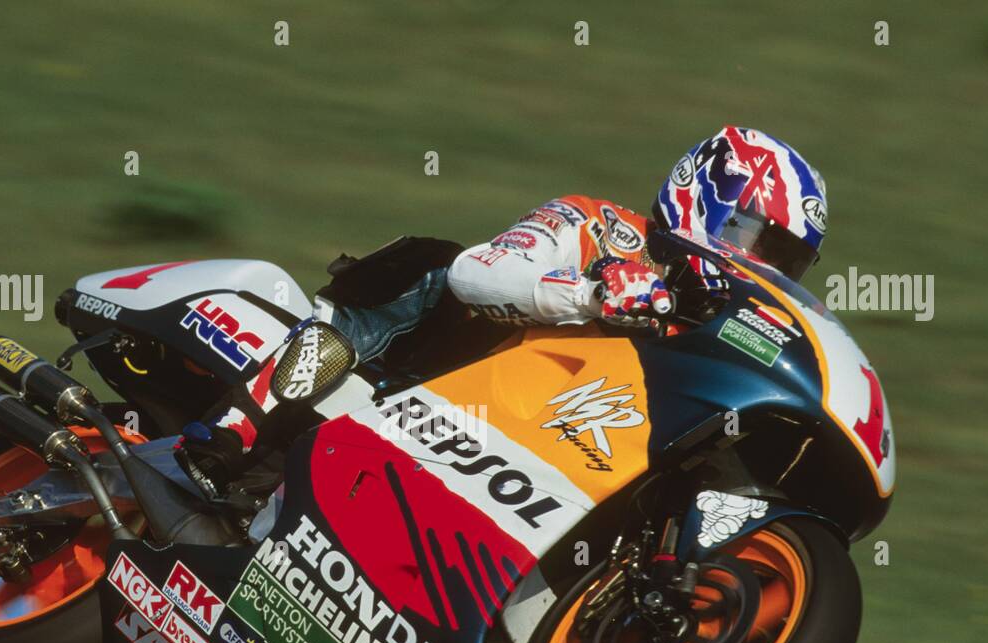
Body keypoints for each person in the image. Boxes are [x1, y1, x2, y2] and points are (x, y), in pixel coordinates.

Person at [177, 125, 829, 495]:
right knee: (432, 262)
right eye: (756, 237)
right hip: (414, 380)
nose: (764, 266)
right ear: (706, 198)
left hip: (512, 457)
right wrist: (595, 294)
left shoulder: (710, 330)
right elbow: (477, 273)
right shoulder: (602, 224)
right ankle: (234, 430)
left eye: (786, 262)